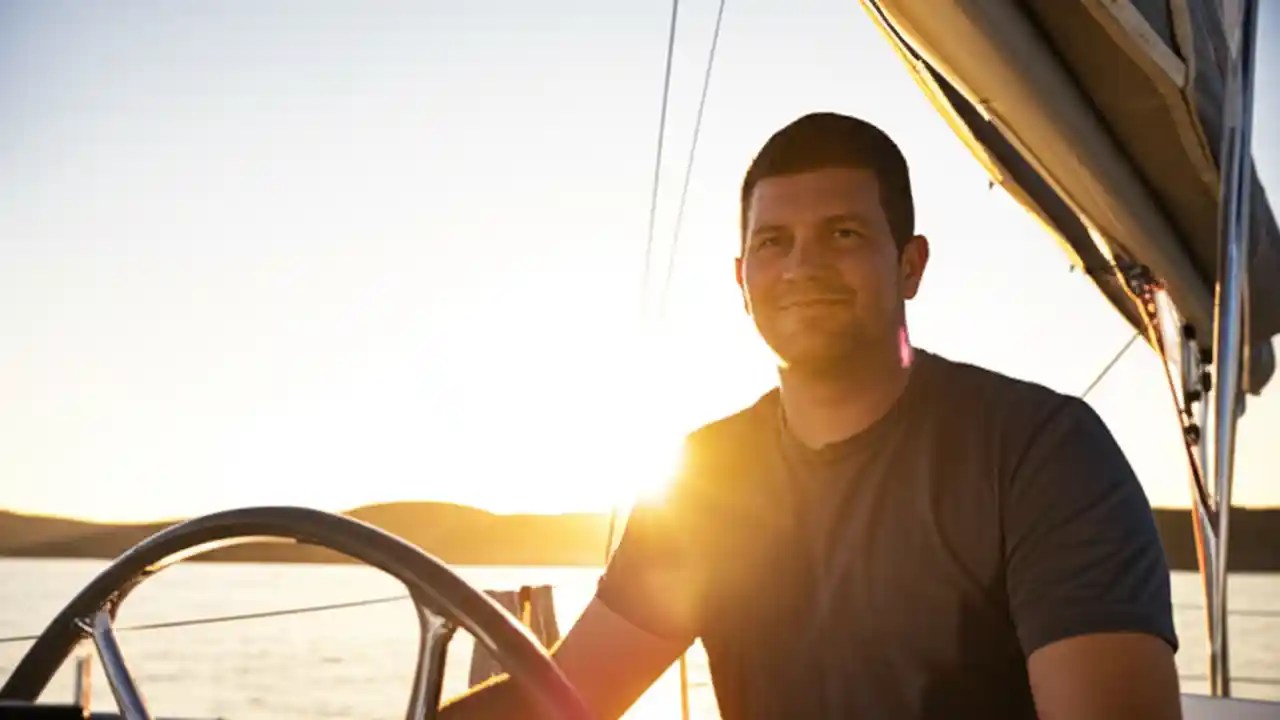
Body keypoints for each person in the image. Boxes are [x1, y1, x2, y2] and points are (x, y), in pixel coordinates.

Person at [440, 112, 1182, 719]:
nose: (802, 266)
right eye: (774, 242)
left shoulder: (1041, 454)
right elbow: (567, 702)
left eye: (843, 234)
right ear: (742, 279)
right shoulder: (702, 480)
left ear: (911, 265)